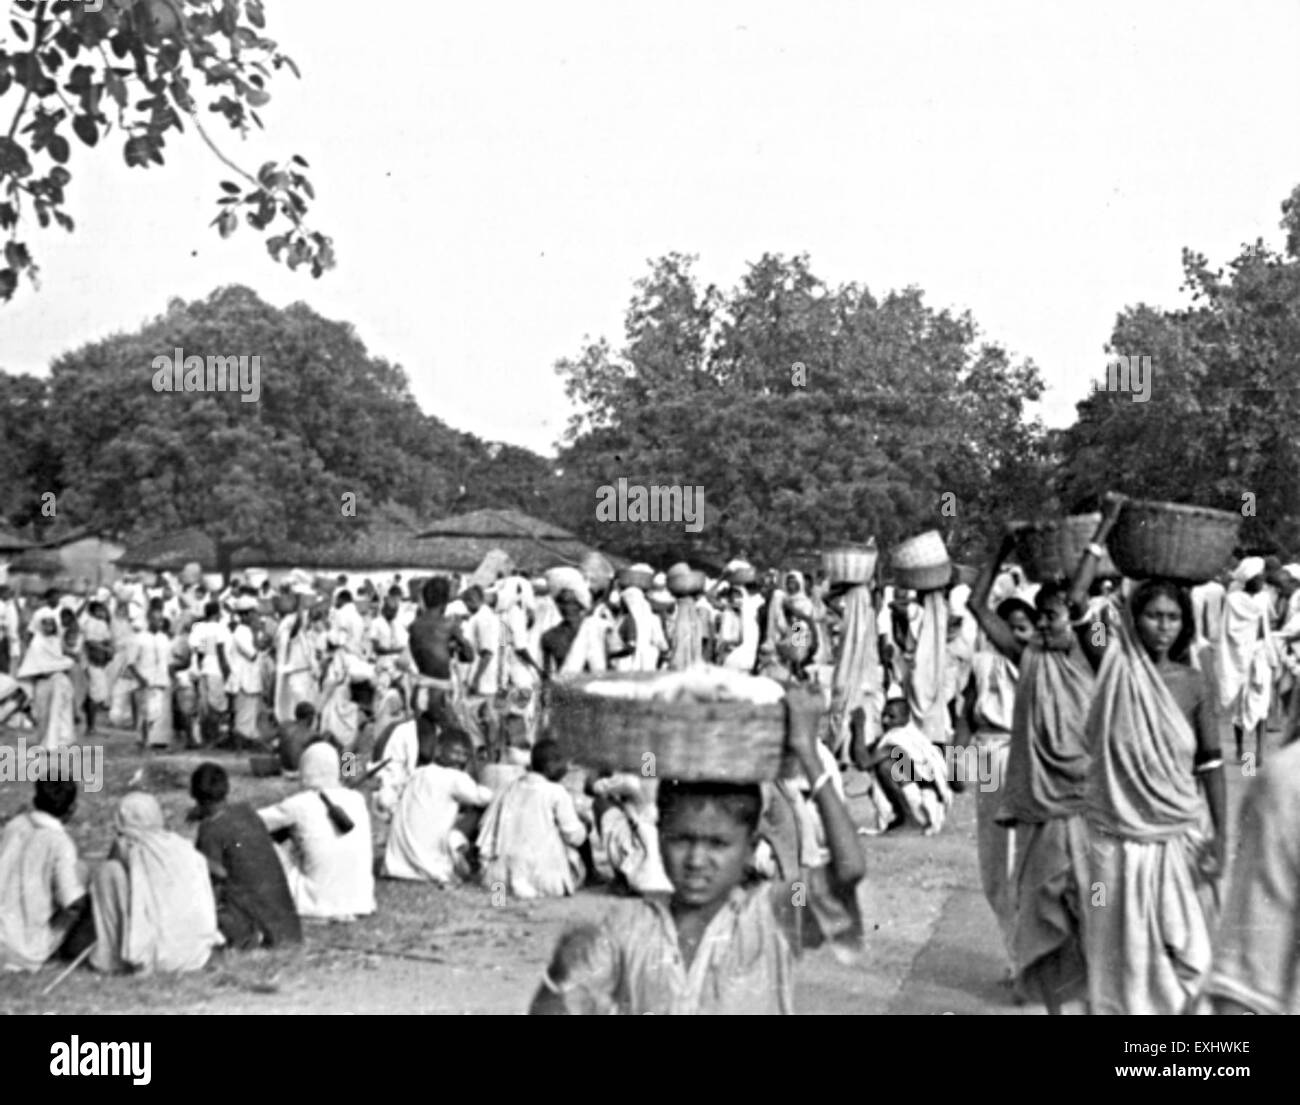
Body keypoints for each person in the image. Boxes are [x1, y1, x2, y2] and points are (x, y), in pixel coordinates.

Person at [529, 688, 865, 1015]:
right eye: (682, 840)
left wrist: (808, 753)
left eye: (718, 844)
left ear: (749, 849)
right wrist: (557, 979)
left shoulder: (769, 918)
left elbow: (849, 870)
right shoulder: (628, 928)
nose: (696, 860)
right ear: (659, 837)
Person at [1078, 552, 1227, 1014]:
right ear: (1133, 619)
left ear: (1185, 624)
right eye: (1153, 616)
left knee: (1184, 947)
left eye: (1173, 617)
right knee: (1118, 945)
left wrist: (1222, 835)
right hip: (1118, 835)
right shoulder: (1114, 667)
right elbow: (1077, 604)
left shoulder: (1195, 683)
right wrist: (1103, 535)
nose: (1164, 626)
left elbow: (1212, 763)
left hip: (1177, 831)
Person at [967, 525, 1099, 1015]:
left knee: (1087, 899)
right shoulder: (1028, 658)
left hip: (1084, 799)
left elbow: (1081, 599)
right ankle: (1044, 986)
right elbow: (977, 608)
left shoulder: (1090, 656)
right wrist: (999, 548)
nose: (1045, 625)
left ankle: (1089, 989)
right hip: (1040, 801)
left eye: (1052, 617)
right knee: (1039, 894)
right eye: (1039, 617)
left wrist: (1103, 529)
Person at [1194, 737, 1300, 1014]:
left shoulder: (1287, 781)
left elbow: (1240, 993)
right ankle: (1247, 754)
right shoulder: (1288, 784)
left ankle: (1248, 755)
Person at [963, 596, 1035, 970]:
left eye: (1025, 627)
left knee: (1021, 856)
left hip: (1022, 754)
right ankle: (1015, 952)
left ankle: (1027, 956)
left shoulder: (1037, 665)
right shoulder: (983, 664)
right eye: (1010, 628)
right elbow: (967, 716)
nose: (1018, 635)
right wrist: (961, 766)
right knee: (994, 855)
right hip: (988, 753)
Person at [89, 792, 223, 974]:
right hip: (197, 954)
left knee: (106, 872)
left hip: (159, 957)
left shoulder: (128, 845)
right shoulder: (181, 845)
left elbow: (112, 873)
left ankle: (111, 959)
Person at [258, 743, 375, 921]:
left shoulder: (300, 803)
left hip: (316, 903)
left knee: (268, 846)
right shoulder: (357, 799)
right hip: (360, 901)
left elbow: (255, 821)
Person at [190, 764, 302, 951]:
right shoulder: (247, 811)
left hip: (259, 919)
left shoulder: (211, 828)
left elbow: (214, 877)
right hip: (288, 920)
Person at [476, 739, 588, 899]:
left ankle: (500, 897)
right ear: (551, 765)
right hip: (539, 878)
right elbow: (574, 836)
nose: (567, 769)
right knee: (574, 852)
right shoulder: (556, 792)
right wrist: (584, 827)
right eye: (564, 764)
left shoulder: (507, 787)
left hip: (499, 878)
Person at [0, 779, 90, 972]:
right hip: (25, 949)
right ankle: (66, 951)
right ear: (72, 809)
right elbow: (71, 902)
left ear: (35, 799)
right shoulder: (60, 843)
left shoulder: (13, 826)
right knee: (80, 874)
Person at [382, 730, 492, 884]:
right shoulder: (456, 778)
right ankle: (468, 852)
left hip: (396, 866)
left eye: (465, 755)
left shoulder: (418, 773)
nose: (461, 759)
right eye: (457, 753)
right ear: (439, 750)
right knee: (481, 808)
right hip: (429, 869)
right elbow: (485, 798)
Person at [16, 609, 77, 749]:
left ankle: (59, 743)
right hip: (42, 682)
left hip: (58, 680)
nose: (49, 627)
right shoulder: (36, 644)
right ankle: (45, 743)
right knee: (42, 714)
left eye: (51, 623)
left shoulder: (56, 641)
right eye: (45, 624)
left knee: (59, 713)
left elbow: (61, 659)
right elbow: (33, 665)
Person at [189, 600, 231, 747]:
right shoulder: (219, 629)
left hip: (205, 670)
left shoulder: (201, 628)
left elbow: (202, 651)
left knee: (205, 706)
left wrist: (201, 667)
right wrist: (226, 672)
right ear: (216, 613)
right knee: (216, 706)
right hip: (217, 671)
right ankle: (212, 738)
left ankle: (206, 737)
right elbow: (220, 651)